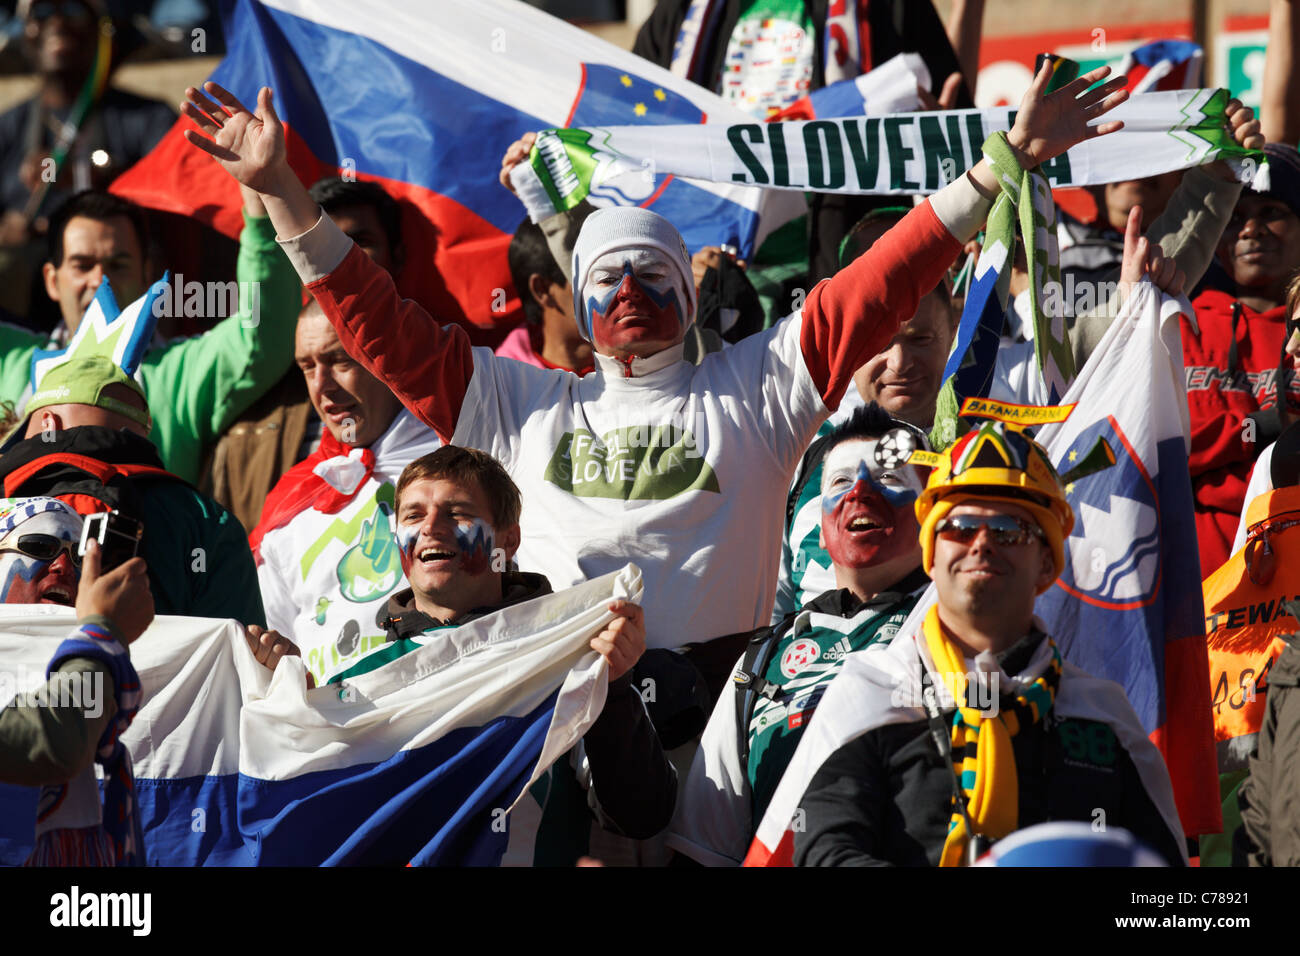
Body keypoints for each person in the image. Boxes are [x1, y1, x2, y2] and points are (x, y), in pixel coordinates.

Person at [180, 63, 1130, 651]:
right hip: (552, 724)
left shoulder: (758, 384)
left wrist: (1000, 162)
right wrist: (281, 195)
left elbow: (877, 283)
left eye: (652, 275)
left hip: (714, 727)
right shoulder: (514, 402)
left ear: (687, 291)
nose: (630, 292)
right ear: (579, 307)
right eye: (608, 279)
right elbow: (375, 320)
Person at [246, 446, 677, 864]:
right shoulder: (358, 682)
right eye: (413, 515)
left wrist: (616, 689)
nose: (432, 527)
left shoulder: (566, 658)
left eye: (458, 513)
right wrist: (292, 713)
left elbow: (641, 816)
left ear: (508, 540)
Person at [792, 419, 1187, 866]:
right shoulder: (869, 692)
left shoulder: (1103, 714)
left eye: (1008, 530)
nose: (980, 545)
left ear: (1046, 563)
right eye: (958, 526)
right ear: (932, 556)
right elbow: (824, 854)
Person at [670, 404, 931, 865]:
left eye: (889, 479)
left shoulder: (949, 629)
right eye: (840, 482)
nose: (860, 493)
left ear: (931, 511)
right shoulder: (764, 656)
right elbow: (705, 847)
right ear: (819, 522)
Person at [0, 186, 302, 486]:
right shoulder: (11, 357)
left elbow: (265, 329)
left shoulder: (181, 371)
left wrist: (260, 193)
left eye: (118, 265)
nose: (99, 280)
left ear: (147, 274)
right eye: (82, 265)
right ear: (52, 280)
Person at [0, 295, 264, 626]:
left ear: (49, 423)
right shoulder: (205, 520)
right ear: (142, 436)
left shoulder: (6, 495)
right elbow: (238, 655)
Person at [250, 297, 440, 685]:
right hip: (339, 730)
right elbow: (273, 652)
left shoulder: (460, 456)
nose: (323, 387)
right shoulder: (290, 502)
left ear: (383, 357)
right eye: (307, 367)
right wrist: (281, 662)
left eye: (341, 361)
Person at [204, 176, 406, 532]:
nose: (337, 259)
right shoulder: (249, 410)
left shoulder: (453, 387)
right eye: (319, 244)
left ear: (397, 256)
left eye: (358, 242)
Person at [0, 495, 155, 866]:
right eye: (39, 546)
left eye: (79, 557)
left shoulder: (126, 651)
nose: (62, 567)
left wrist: (265, 667)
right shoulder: (107, 649)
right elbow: (57, 738)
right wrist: (102, 634)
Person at [1184, 143, 1300, 576]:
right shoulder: (1178, 325)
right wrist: (1261, 430)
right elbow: (1164, 448)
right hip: (1199, 588)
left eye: (1271, 211)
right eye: (1234, 218)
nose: (1251, 229)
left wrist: (1212, 463)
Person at [0, 0, 175, 237]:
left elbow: (174, 206)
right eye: (41, 12)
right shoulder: (6, 127)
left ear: (102, 29)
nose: (57, 22)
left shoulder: (152, 119)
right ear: (24, 33)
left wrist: (88, 174)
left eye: (74, 9)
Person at [499, 214, 593, 374]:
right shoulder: (501, 389)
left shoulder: (646, 360)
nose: (621, 290)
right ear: (542, 290)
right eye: (591, 276)